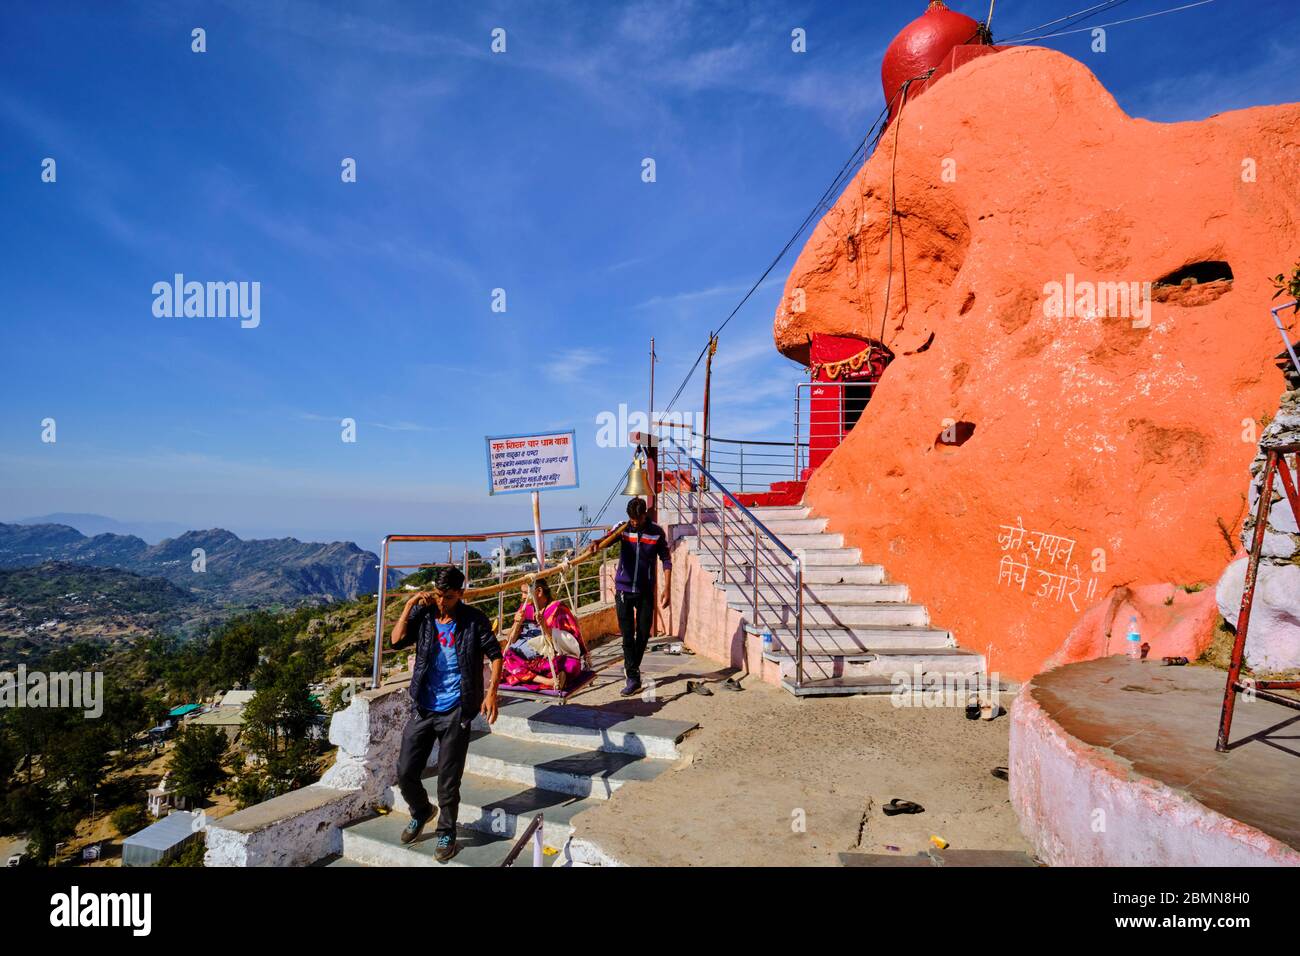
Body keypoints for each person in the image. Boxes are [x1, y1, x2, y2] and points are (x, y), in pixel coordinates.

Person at [390, 565, 502, 862]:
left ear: (461, 594)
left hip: (457, 708)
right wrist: (409, 606)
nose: (442, 601)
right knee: (405, 771)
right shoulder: (425, 616)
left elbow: (496, 653)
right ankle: (421, 810)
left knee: (448, 778)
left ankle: (446, 832)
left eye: (449, 597)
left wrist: (491, 693)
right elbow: (396, 639)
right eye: (439, 595)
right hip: (424, 705)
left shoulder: (474, 621)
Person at [614, 497, 672, 696]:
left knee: (644, 632)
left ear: (644, 514)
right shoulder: (623, 529)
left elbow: (666, 559)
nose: (634, 522)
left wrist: (667, 588)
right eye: (631, 518)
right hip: (623, 590)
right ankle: (632, 677)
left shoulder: (656, 532)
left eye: (637, 518)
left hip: (645, 590)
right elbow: (605, 541)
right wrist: (596, 543)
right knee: (627, 635)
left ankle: (632, 667)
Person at [502, 579, 590, 690]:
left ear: (539, 592)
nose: (522, 597)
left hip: (549, 657)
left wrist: (544, 627)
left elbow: (569, 642)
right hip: (525, 658)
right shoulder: (525, 608)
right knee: (504, 658)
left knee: (572, 665)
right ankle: (548, 681)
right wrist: (516, 623)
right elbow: (511, 640)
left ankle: (532, 676)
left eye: (525, 593)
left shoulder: (558, 610)